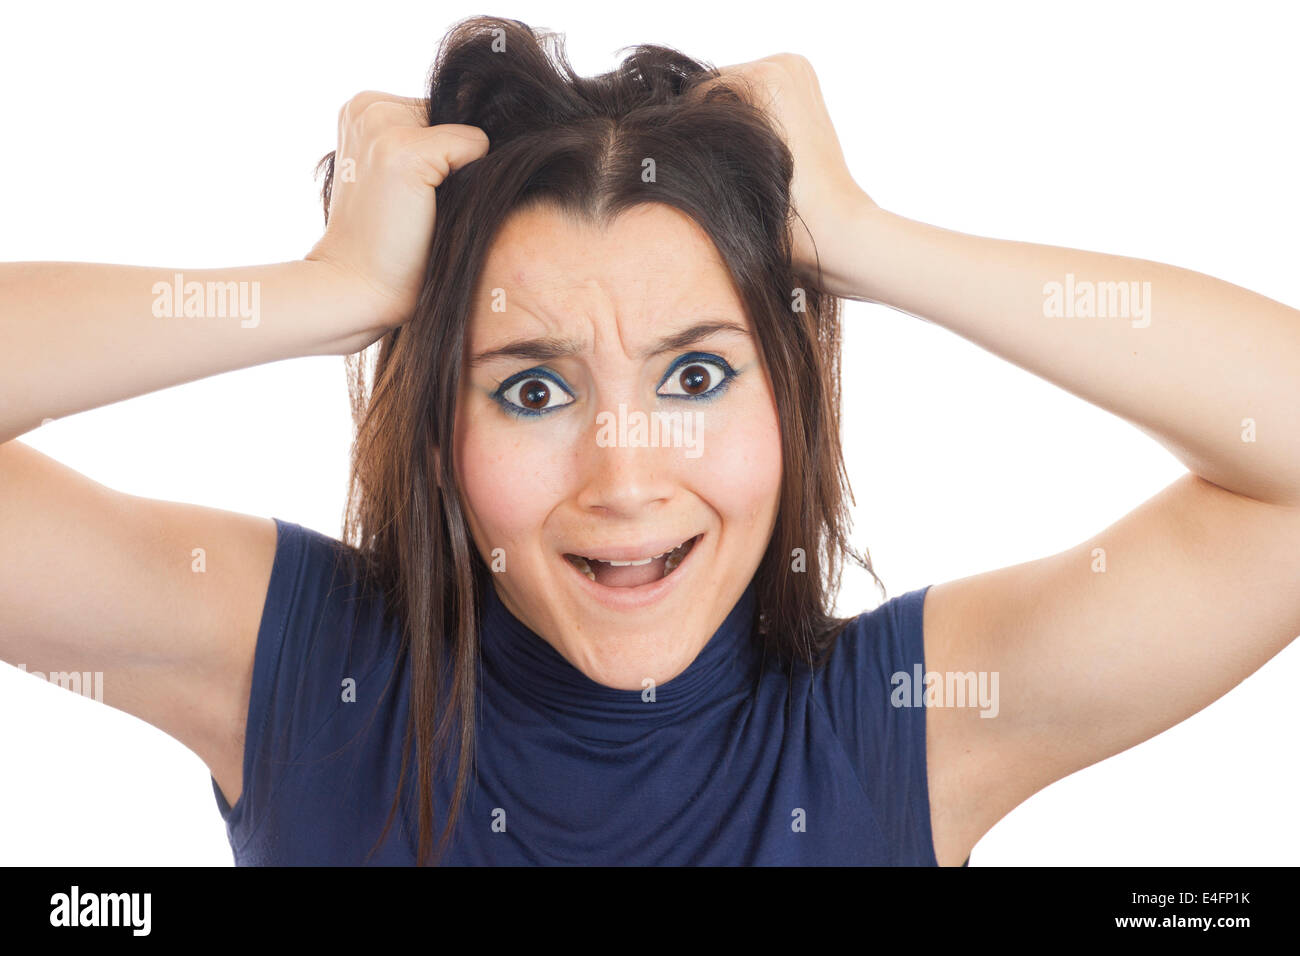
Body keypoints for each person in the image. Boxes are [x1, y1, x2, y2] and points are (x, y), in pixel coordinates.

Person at [3, 16, 1298, 865]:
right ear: (438, 427)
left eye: (694, 373)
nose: (625, 478)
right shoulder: (287, 666)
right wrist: (328, 290)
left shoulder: (901, 726)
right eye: (530, 391)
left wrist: (864, 238)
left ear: (790, 403)